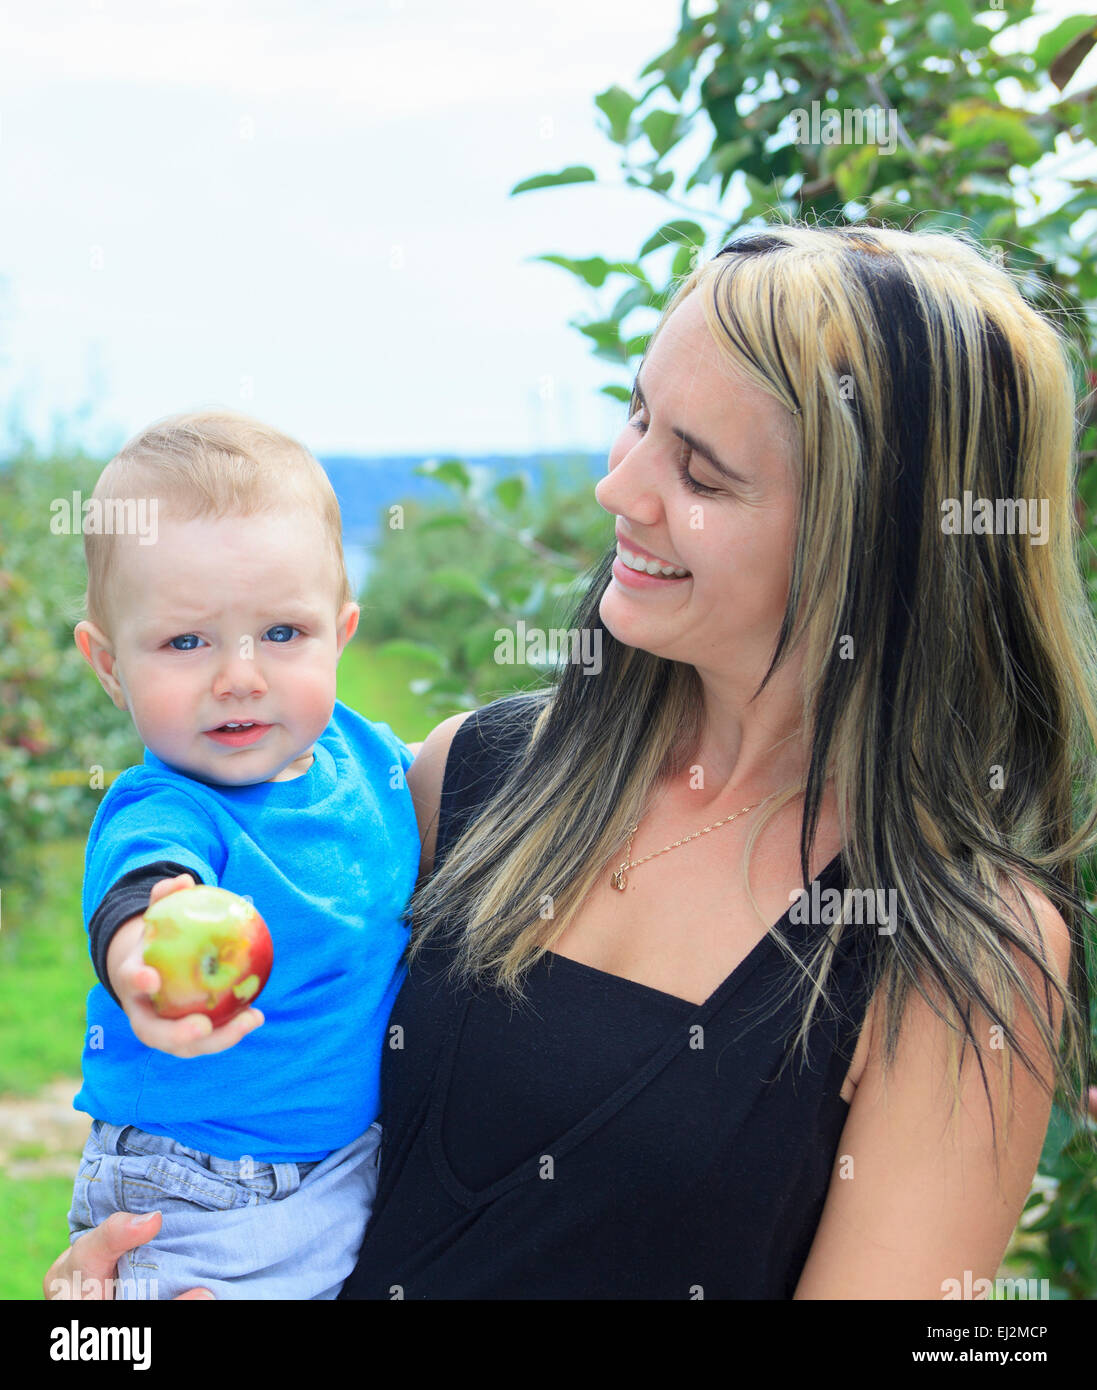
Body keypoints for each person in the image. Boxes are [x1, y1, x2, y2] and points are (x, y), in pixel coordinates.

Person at [49, 223, 1096, 1300]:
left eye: (700, 471)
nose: (620, 490)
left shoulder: (958, 956)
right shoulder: (467, 776)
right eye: (639, 415)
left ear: (868, 545)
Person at [60, 411, 421, 1299]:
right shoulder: (170, 805)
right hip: (193, 1195)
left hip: (346, 1172)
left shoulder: (370, 761)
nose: (239, 675)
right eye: (186, 642)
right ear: (108, 666)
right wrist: (143, 958)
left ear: (340, 631)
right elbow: (141, 886)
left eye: (283, 634)